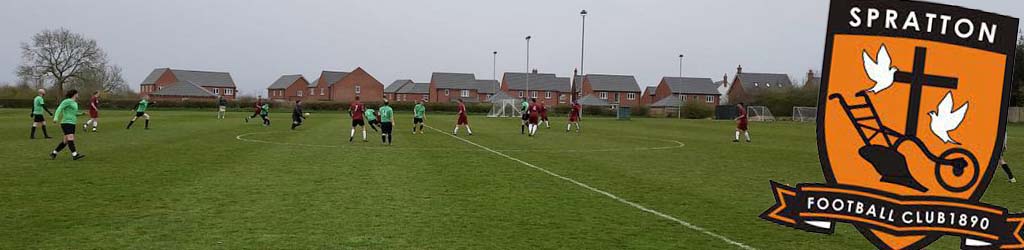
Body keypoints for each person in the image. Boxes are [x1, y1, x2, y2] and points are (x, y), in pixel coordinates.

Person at [50, 89, 85, 160]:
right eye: (77, 93)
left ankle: (54, 153)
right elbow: (59, 108)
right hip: (66, 122)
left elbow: (74, 113)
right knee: (71, 138)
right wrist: (56, 118)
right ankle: (75, 154)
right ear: (74, 94)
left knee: (65, 141)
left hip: (72, 123)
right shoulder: (67, 101)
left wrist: (81, 114)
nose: (78, 95)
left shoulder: (75, 103)